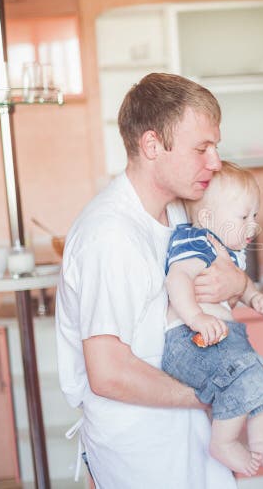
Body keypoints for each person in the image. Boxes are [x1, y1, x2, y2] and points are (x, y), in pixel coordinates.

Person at [56, 73, 247, 488]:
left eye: (215, 147)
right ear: (151, 145)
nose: (214, 162)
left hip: (186, 435)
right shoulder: (110, 235)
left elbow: (211, 276)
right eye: (202, 148)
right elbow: (108, 373)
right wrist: (211, 393)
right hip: (142, 450)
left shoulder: (176, 211)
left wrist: (233, 282)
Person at [161, 161, 263, 476]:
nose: (252, 226)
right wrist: (196, 317)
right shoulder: (197, 241)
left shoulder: (228, 251)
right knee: (242, 379)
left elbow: (241, 283)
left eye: (255, 216)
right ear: (208, 218)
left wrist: (254, 297)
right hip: (190, 338)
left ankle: (261, 440)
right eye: (243, 217)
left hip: (221, 339)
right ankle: (222, 443)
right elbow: (177, 280)